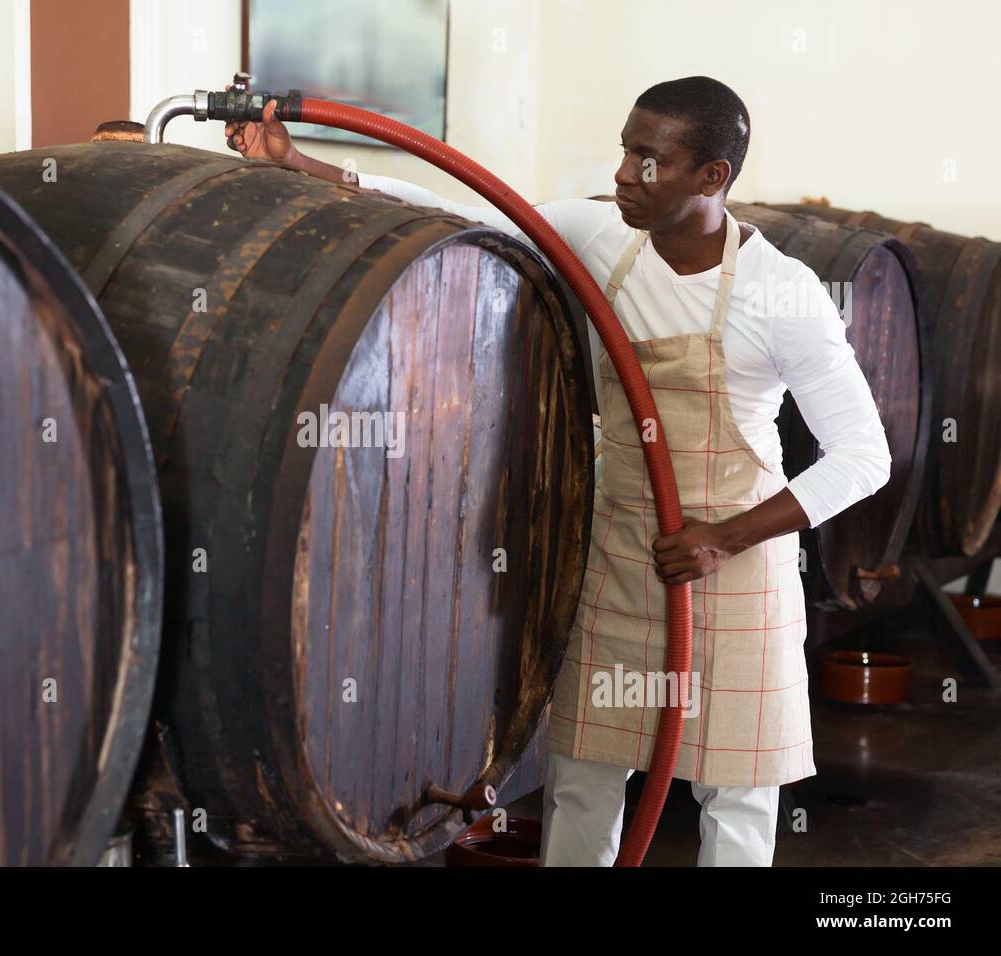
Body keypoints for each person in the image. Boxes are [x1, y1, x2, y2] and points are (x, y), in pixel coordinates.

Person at [223, 76, 891, 866]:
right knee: (583, 780)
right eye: (625, 150)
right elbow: (457, 210)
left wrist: (725, 537)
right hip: (620, 553)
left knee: (737, 797)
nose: (623, 175)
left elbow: (863, 455)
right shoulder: (600, 237)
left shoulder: (784, 294)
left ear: (712, 177)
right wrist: (300, 162)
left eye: (650, 161)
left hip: (735, 570)